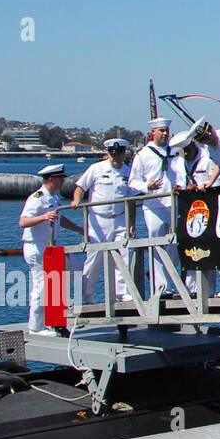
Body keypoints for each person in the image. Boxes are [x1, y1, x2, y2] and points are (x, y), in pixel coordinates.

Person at [127, 117, 189, 296]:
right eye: (161, 131)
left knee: (175, 245)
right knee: (156, 243)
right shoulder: (143, 155)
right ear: (153, 133)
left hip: (173, 203)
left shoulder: (175, 153)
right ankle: (161, 287)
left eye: (166, 131)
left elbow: (181, 174)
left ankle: (169, 279)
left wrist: (180, 186)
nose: (164, 134)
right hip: (153, 205)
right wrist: (147, 186)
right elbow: (133, 181)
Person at [19, 165, 84, 334]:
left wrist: (79, 229)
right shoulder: (37, 198)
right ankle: (36, 327)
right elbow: (23, 222)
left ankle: (57, 312)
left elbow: (60, 219)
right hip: (37, 246)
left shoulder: (54, 198)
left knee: (75, 268)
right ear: (50, 179)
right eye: (59, 178)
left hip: (52, 245)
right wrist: (42, 217)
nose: (63, 180)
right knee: (41, 286)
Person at [70, 139, 131, 303]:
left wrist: (131, 223)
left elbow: (132, 198)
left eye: (119, 153)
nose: (115, 156)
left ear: (124, 153)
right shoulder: (96, 169)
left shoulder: (127, 172)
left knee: (124, 254)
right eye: (112, 153)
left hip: (119, 218)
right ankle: (88, 294)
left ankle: (121, 293)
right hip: (99, 219)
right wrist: (77, 200)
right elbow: (80, 187)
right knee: (94, 258)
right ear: (108, 153)